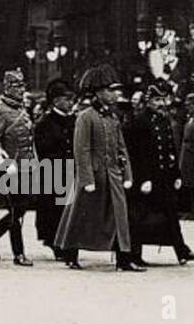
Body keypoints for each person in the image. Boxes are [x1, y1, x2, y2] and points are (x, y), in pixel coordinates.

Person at [54, 64, 138, 271]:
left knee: (120, 216)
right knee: (79, 215)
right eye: (110, 90)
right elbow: (81, 150)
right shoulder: (86, 117)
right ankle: (70, 252)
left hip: (113, 173)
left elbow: (121, 148)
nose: (115, 94)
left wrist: (127, 173)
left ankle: (124, 258)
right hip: (93, 173)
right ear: (99, 93)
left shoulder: (113, 117)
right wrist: (87, 179)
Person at [124, 83, 194, 267]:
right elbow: (136, 154)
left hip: (164, 177)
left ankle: (182, 251)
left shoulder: (164, 120)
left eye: (162, 99)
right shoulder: (139, 122)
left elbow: (171, 149)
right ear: (148, 102)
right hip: (148, 178)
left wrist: (176, 173)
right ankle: (135, 254)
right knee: (139, 216)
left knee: (171, 214)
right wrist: (143, 178)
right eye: (156, 100)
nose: (160, 103)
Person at [0, 69, 39, 266]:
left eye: (22, 86)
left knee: (21, 208)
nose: (21, 90)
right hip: (9, 168)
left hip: (26, 166)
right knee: (16, 209)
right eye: (16, 86)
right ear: (6, 87)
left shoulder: (21, 109)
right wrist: (5, 164)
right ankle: (18, 253)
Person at [32, 77, 77, 260]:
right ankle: (54, 243)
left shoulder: (73, 120)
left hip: (70, 171)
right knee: (52, 210)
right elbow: (44, 149)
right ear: (56, 100)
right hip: (53, 171)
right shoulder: (45, 123)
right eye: (66, 99)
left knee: (68, 209)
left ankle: (66, 242)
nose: (70, 102)